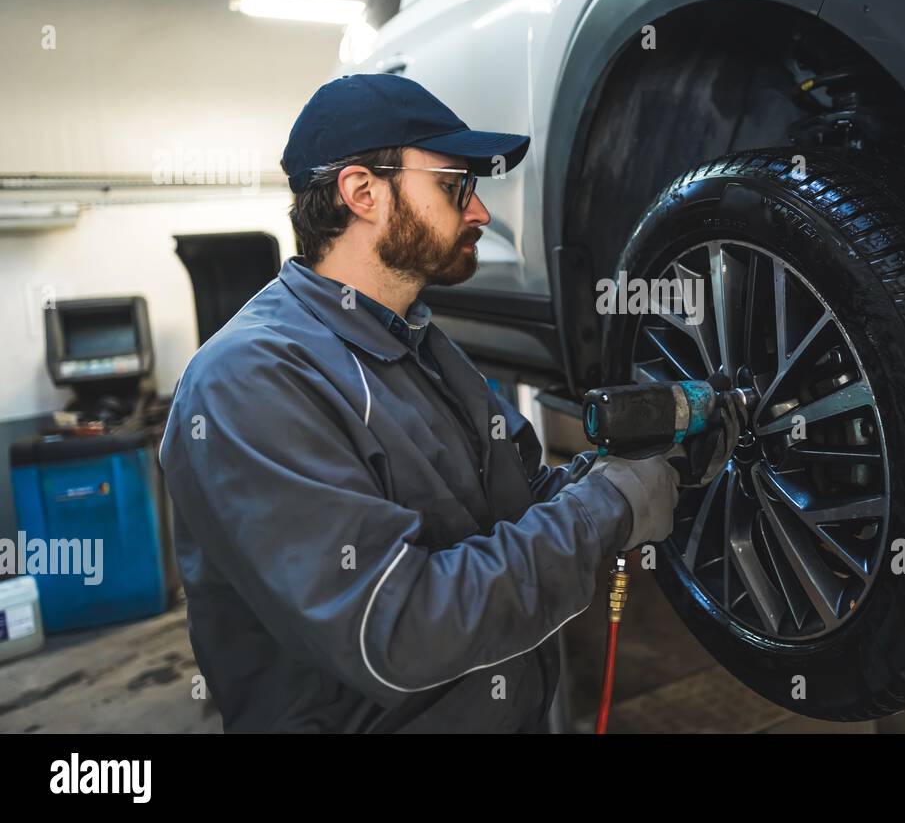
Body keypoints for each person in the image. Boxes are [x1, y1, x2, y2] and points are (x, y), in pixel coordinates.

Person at [159, 73, 738, 732]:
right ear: (362, 192)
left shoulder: (422, 345)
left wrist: (626, 472)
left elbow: (519, 510)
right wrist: (607, 509)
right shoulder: (249, 380)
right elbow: (399, 631)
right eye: (453, 185)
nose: (480, 212)